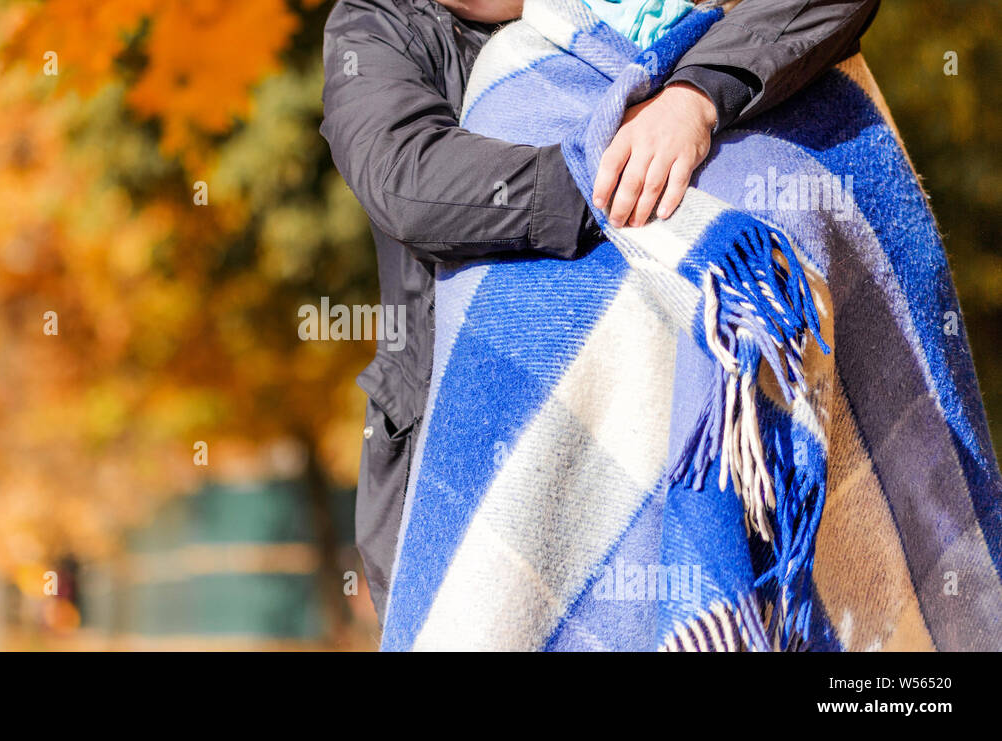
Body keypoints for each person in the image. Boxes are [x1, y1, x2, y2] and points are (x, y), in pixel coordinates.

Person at [319, 0, 880, 623]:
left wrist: (695, 97)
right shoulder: (376, 24)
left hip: (719, 423)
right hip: (463, 455)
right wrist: (618, 175)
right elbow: (407, 180)